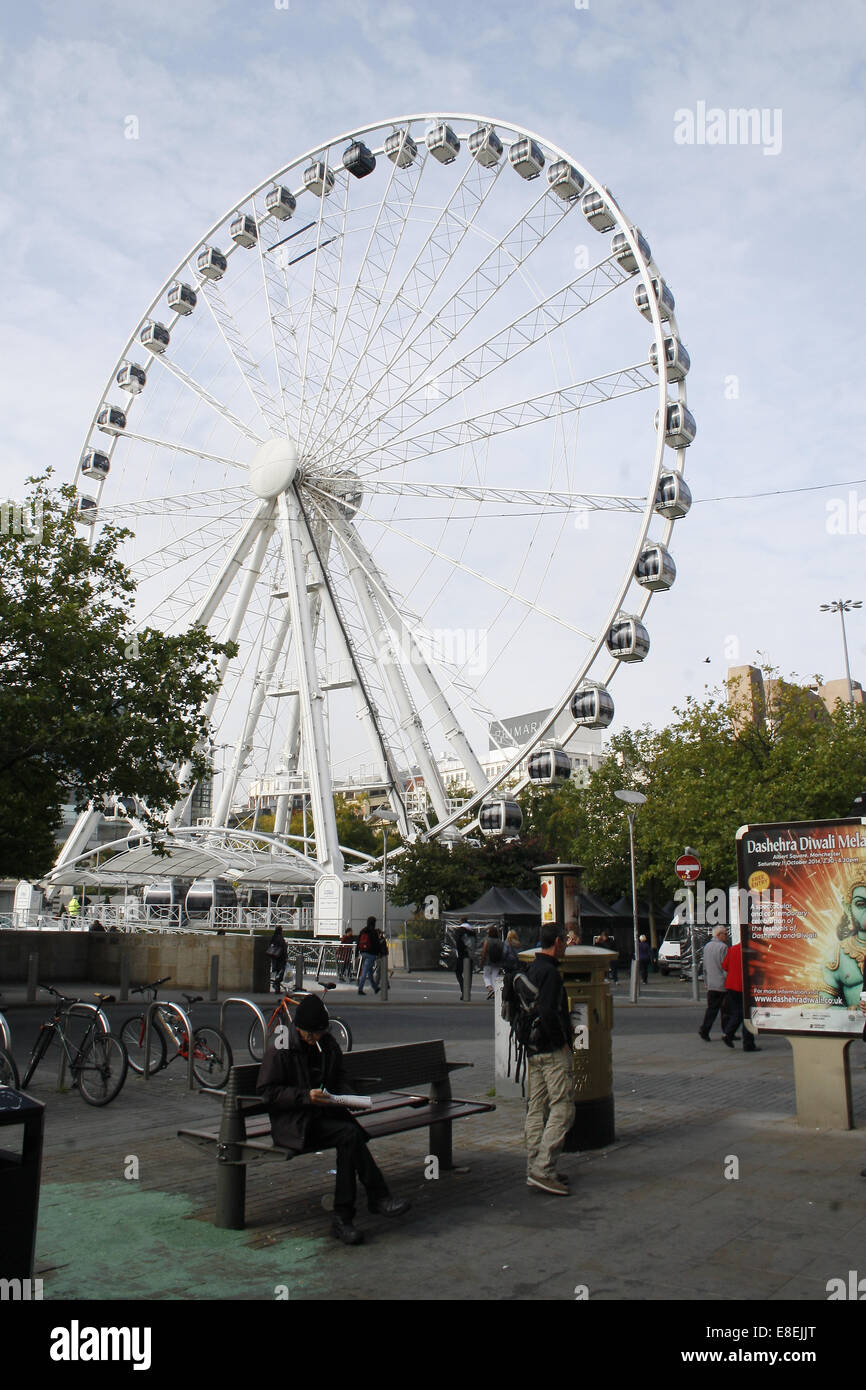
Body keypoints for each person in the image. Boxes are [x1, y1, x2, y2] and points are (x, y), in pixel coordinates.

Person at [256, 993, 409, 1245]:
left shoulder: (326, 1044)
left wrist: (349, 1098)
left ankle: (347, 1216)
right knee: (350, 1135)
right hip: (295, 1123)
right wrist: (306, 1097)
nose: (315, 1039)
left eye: (319, 1033)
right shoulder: (281, 1048)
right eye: (311, 1034)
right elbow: (268, 1092)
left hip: (321, 1115)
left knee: (351, 1138)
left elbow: (338, 1077)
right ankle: (372, 1200)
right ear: (299, 1029)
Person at [524, 924, 575, 1197]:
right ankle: (544, 1168)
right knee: (563, 1108)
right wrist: (562, 1042)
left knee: (536, 1108)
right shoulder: (552, 973)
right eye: (564, 942)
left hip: (532, 1050)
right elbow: (548, 1011)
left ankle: (534, 1165)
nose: (566, 946)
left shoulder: (532, 969)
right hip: (551, 1051)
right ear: (556, 942)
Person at [721, 940, 760, 1052]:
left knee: (738, 1012)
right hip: (745, 986)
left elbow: (725, 966)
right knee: (748, 1014)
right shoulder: (752, 951)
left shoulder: (732, 949)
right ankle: (748, 1043)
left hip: (731, 985)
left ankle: (728, 1033)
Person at [698, 926, 729, 1041]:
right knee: (725, 1010)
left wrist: (706, 982)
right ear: (719, 935)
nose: (726, 936)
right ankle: (726, 1032)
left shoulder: (707, 946)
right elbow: (725, 966)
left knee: (711, 1009)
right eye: (725, 934)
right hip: (721, 983)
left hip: (711, 983)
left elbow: (705, 966)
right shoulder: (723, 947)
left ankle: (705, 1029)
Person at [357, 916, 380, 995]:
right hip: (371, 954)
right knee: (365, 971)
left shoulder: (363, 931)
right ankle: (360, 989)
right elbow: (376, 944)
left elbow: (358, 942)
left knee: (369, 971)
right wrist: (378, 953)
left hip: (363, 952)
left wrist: (357, 953)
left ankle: (375, 988)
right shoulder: (373, 932)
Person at [480, 927, 504, 999]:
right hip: (497, 962)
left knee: (486, 976)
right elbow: (502, 952)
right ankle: (495, 990)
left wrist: (482, 960)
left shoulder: (487, 940)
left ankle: (490, 989)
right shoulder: (500, 941)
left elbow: (484, 951)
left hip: (488, 961)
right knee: (495, 977)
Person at [454, 920, 474, 999]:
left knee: (458, 972)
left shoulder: (460, 931)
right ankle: (467, 992)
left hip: (462, 956)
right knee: (468, 975)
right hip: (470, 955)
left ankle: (464, 991)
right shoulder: (472, 932)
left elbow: (458, 943)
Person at [266, 924, 288, 994]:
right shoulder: (280, 938)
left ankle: (277, 988)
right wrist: (286, 957)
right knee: (281, 973)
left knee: (278, 972)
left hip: (275, 957)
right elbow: (283, 948)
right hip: (280, 958)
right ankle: (276, 984)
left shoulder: (273, 937)